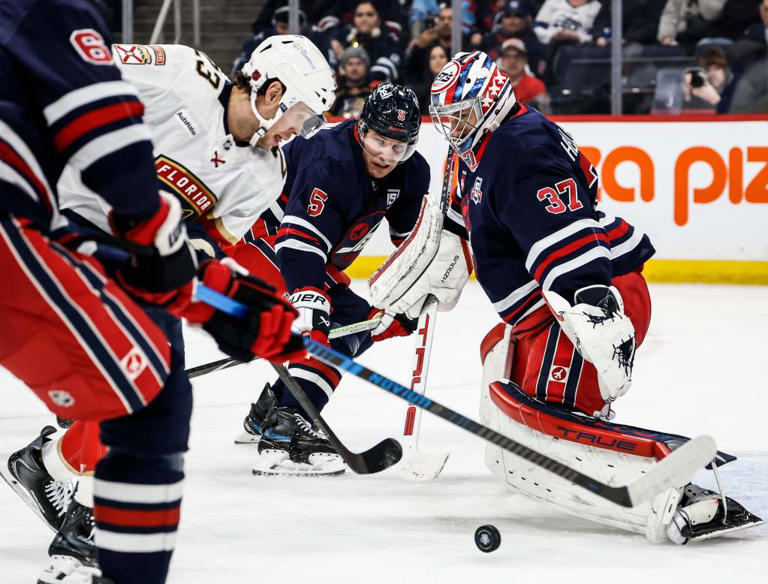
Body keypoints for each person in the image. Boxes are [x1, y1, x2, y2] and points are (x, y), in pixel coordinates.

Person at [370, 50, 761, 543]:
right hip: (546, 308)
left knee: (548, 413)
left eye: (461, 115)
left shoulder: (521, 149)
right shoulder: (477, 145)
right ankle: (573, 442)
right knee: (499, 356)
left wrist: (593, 312)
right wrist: (416, 286)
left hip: (587, 299)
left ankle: (685, 493)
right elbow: (453, 224)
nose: (453, 128)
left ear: (490, 99)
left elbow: (566, 238)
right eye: (446, 118)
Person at [3, 30, 329, 583]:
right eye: (302, 114)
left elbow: (207, 242)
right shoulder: (181, 73)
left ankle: (56, 474)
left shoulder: (265, 173)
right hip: (57, 218)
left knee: (155, 384)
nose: (302, 131)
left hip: (134, 260)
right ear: (273, 91)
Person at [236, 84, 431, 476]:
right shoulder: (331, 158)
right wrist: (309, 299)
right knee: (337, 329)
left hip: (310, 258)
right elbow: (298, 243)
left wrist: (405, 303)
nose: (385, 154)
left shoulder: (413, 173)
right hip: (259, 242)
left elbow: (409, 249)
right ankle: (285, 429)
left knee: (361, 324)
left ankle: (271, 410)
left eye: (399, 147)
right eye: (378, 140)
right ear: (361, 127)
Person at [330, 1, 403, 84]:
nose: (364, 19)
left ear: (379, 19)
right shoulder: (347, 39)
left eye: (370, 14)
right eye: (359, 15)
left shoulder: (390, 41)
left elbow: (382, 74)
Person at [497, 38, 551, 113]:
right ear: (502, 60)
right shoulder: (494, 86)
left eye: (518, 56)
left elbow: (543, 116)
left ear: (525, 60)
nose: (512, 61)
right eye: (507, 56)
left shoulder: (536, 86)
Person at [682, 46, 736, 113]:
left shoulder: (734, 91)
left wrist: (715, 99)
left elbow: (737, 116)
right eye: (708, 70)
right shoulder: (698, 91)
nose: (712, 74)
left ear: (725, 70)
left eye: (717, 69)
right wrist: (688, 95)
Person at [331, 46, 375, 117]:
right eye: (350, 64)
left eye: (359, 63)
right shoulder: (333, 96)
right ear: (343, 68)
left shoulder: (376, 93)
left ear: (366, 67)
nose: (354, 68)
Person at [533, 0, 603, 45]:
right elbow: (538, 27)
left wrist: (578, 37)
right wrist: (552, 36)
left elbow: (596, 37)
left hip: (580, 49)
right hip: (549, 45)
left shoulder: (597, 6)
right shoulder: (553, 1)